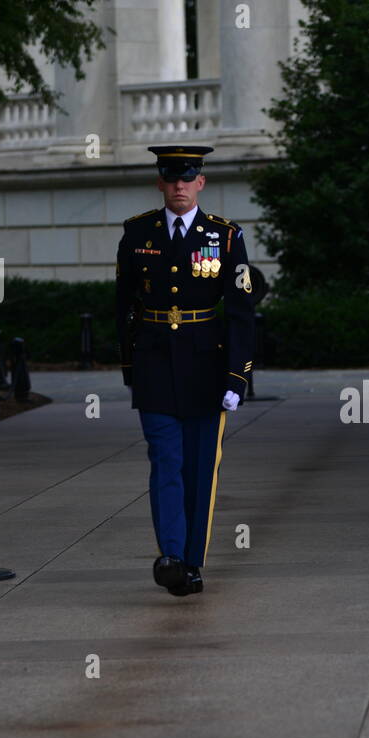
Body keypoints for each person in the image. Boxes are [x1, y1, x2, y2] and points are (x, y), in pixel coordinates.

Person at [115, 145, 254, 597]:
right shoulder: (137, 233)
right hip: (155, 364)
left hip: (206, 367)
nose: (178, 185)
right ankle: (171, 556)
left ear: (201, 182)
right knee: (165, 463)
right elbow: (124, 305)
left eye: (187, 177)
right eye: (170, 177)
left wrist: (237, 376)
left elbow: (240, 312)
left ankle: (192, 563)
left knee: (199, 470)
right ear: (159, 181)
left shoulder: (226, 237)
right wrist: (129, 364)